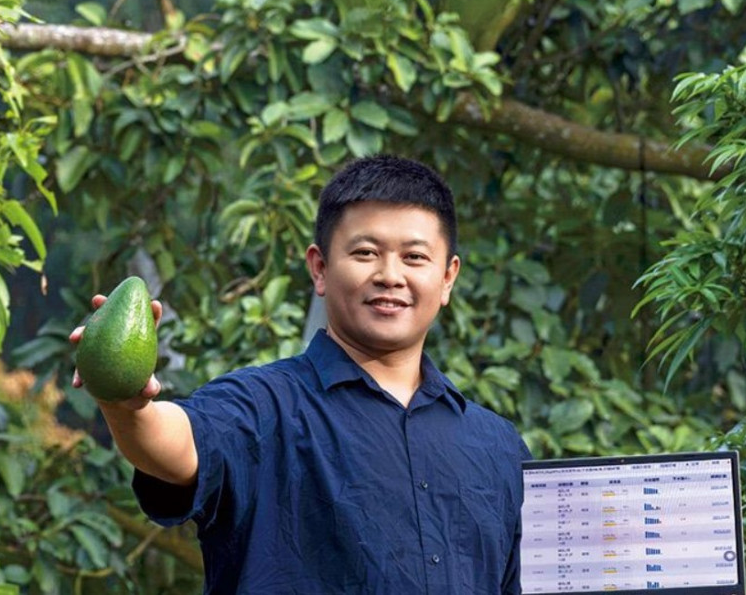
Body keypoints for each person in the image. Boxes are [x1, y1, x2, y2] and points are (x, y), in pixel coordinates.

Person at [70, 155, 531, 594]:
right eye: (366, 252)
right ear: (320, 268)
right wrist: (125, 402)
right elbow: (178, 445)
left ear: (448, 277)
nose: (390, 275)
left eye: (414, 257)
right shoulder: (261, 407)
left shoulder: (499, 447)